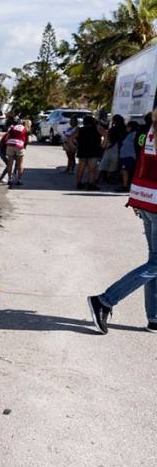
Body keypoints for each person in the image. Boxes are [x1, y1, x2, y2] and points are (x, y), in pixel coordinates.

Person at [88, 108, 157, 334]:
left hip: (146, 198)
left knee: (154, 262)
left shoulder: (148, 130)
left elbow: (141, 163)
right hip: (152, 202)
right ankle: (105, 300)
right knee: (156, 264)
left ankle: (154, 316)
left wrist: (137, 198)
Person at [76, 115, 104, 191]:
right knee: (92, 169)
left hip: (82, 150)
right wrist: (102, 145)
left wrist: (74, 147)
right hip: (94, 150)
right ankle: (91, 185)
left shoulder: (80, 129)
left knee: (81, 168)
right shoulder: (97, 129)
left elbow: (70, 138)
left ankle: (79, 184)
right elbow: (106, 136)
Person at [1, 117, 29, 187]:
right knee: (20, 164)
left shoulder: (12, 127)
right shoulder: (25, 129)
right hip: (19, 146)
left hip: (10, 144)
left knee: (10, 163)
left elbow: (7, 137)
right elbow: (26, 140)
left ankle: (9, 179)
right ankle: (19, 180)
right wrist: (24, 146)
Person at [99, 114, 126, 183]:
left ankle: (103, 177)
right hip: (119, 147)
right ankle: (110, 177)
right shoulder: (124, 128)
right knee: (114, 163)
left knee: (105, 161)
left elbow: (110, 137)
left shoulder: (114, 128)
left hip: (112, 146)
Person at [118, 120, 140, 192]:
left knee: (125, 171)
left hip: (129, 156)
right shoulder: (130, 134)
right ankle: (125, 185)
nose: (126, 128)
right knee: (124, 171)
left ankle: (125, 186)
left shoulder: (134, 134)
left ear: (131, 127)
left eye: (127, 126)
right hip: (125, 156)